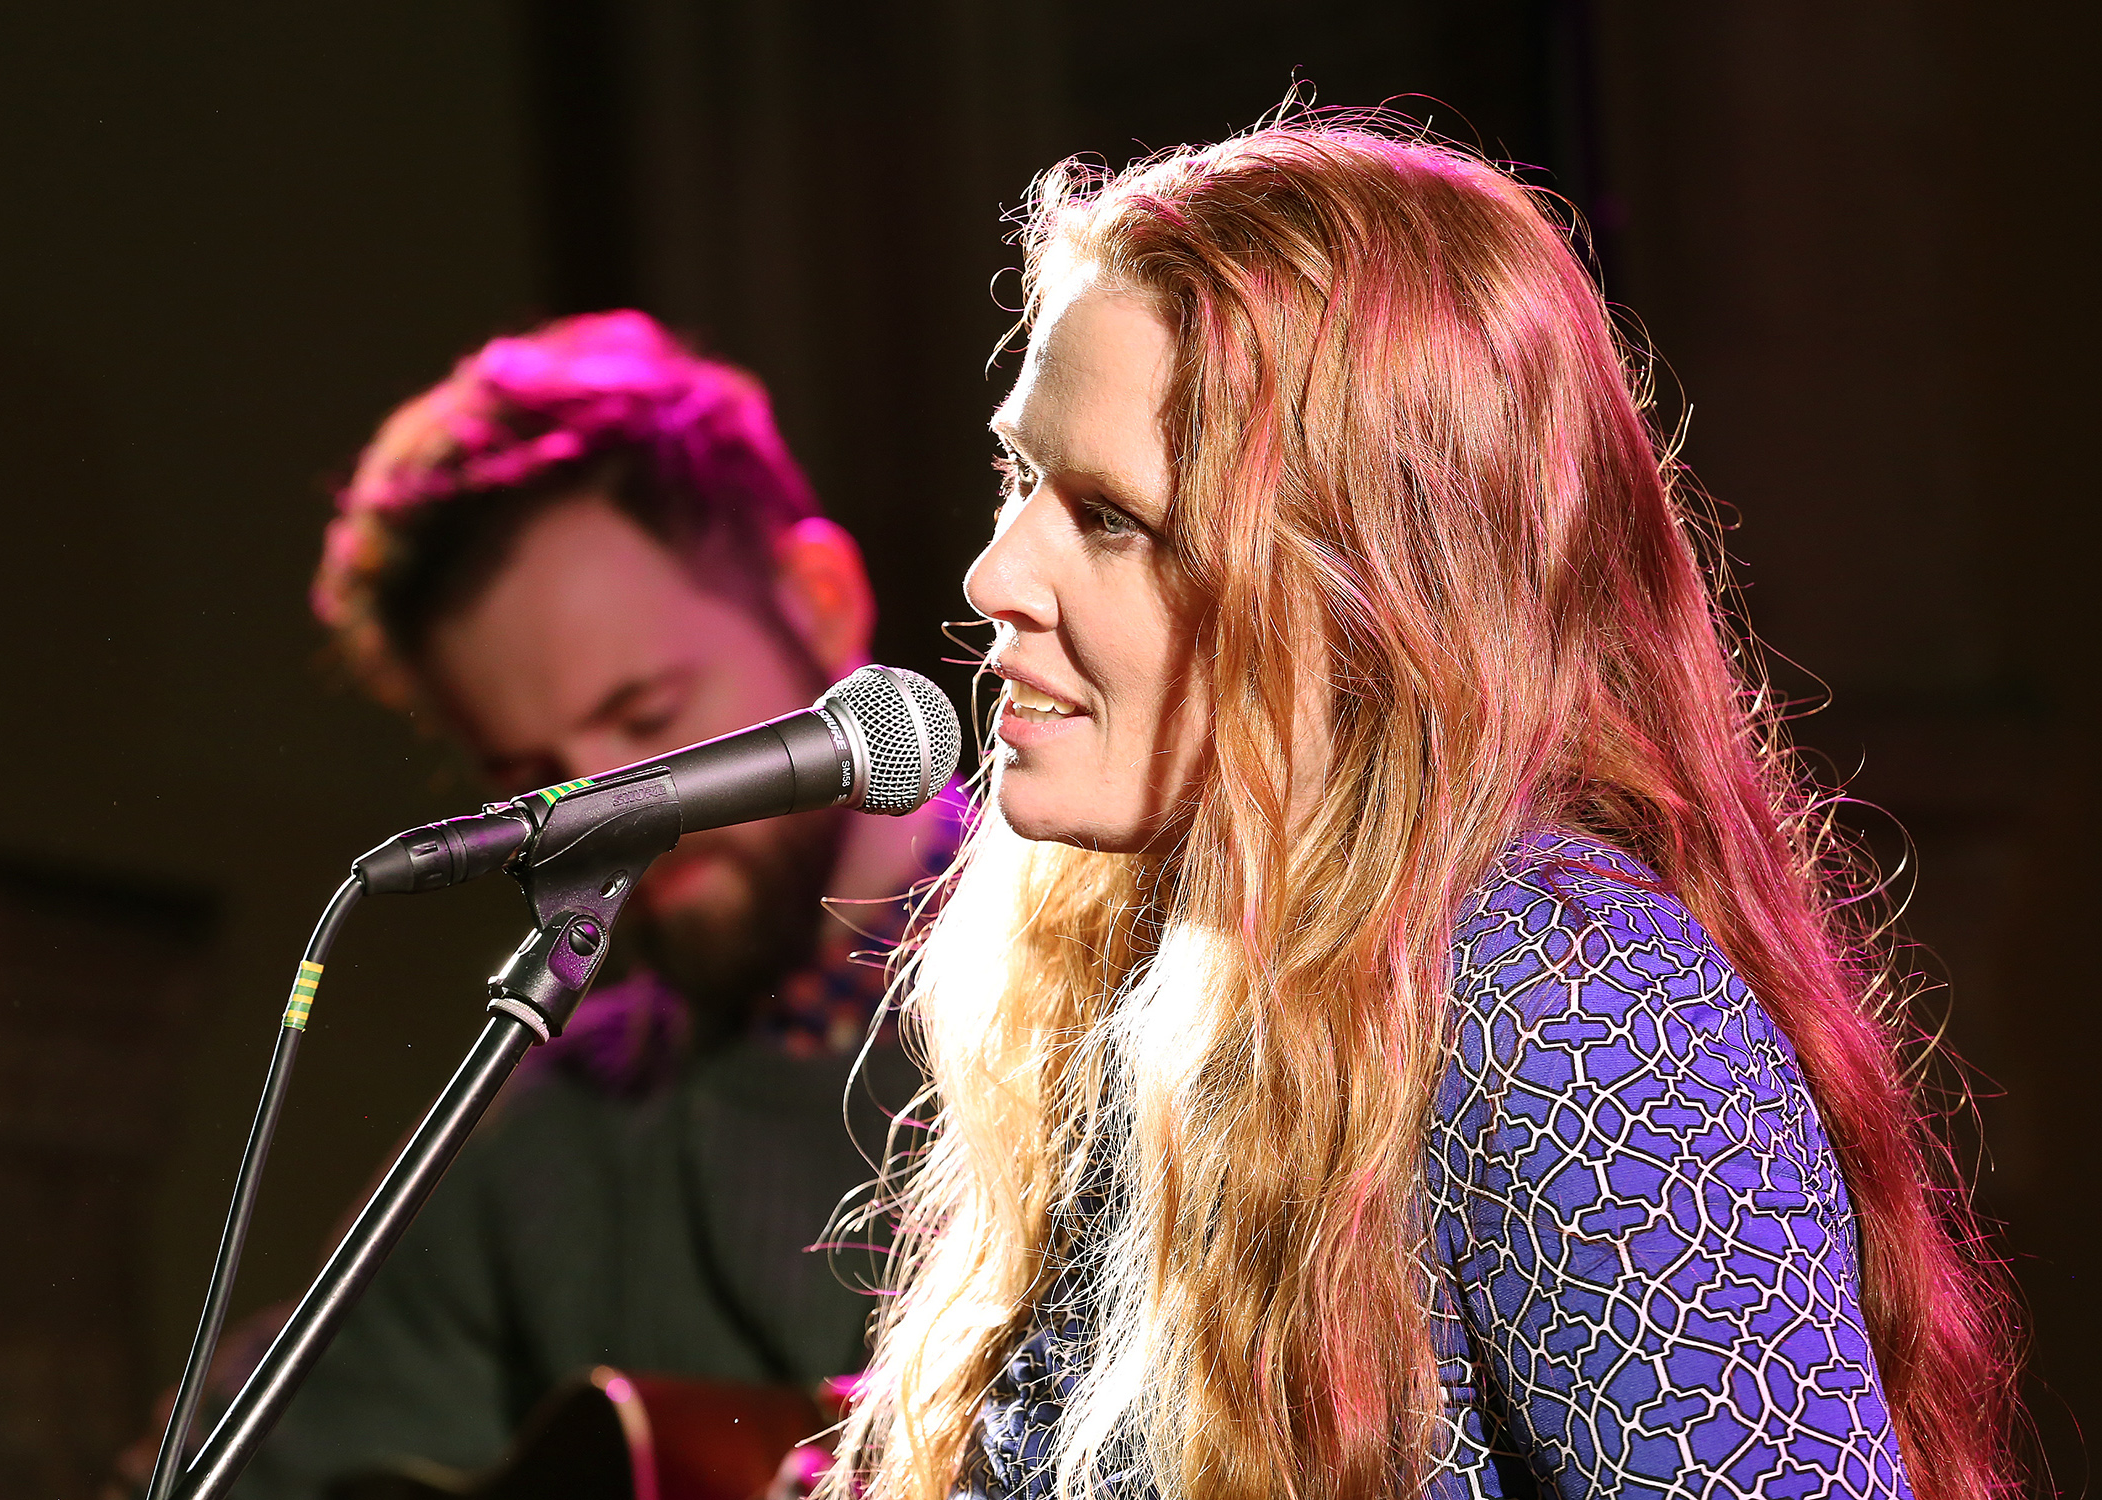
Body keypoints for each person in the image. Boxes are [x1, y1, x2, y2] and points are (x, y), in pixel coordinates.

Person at [826, 122, 2018, 1500]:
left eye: (1109, 518)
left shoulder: (1570, 1000)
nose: (992, 574)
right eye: (1021, 476)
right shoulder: (1162, 967)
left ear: (1361, 593)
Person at [223, 311, 957, 1497]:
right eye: (533, 777)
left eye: (649, 721)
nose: (610, 814)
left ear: (819, 603)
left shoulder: (1153, 984)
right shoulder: (540, 1144)